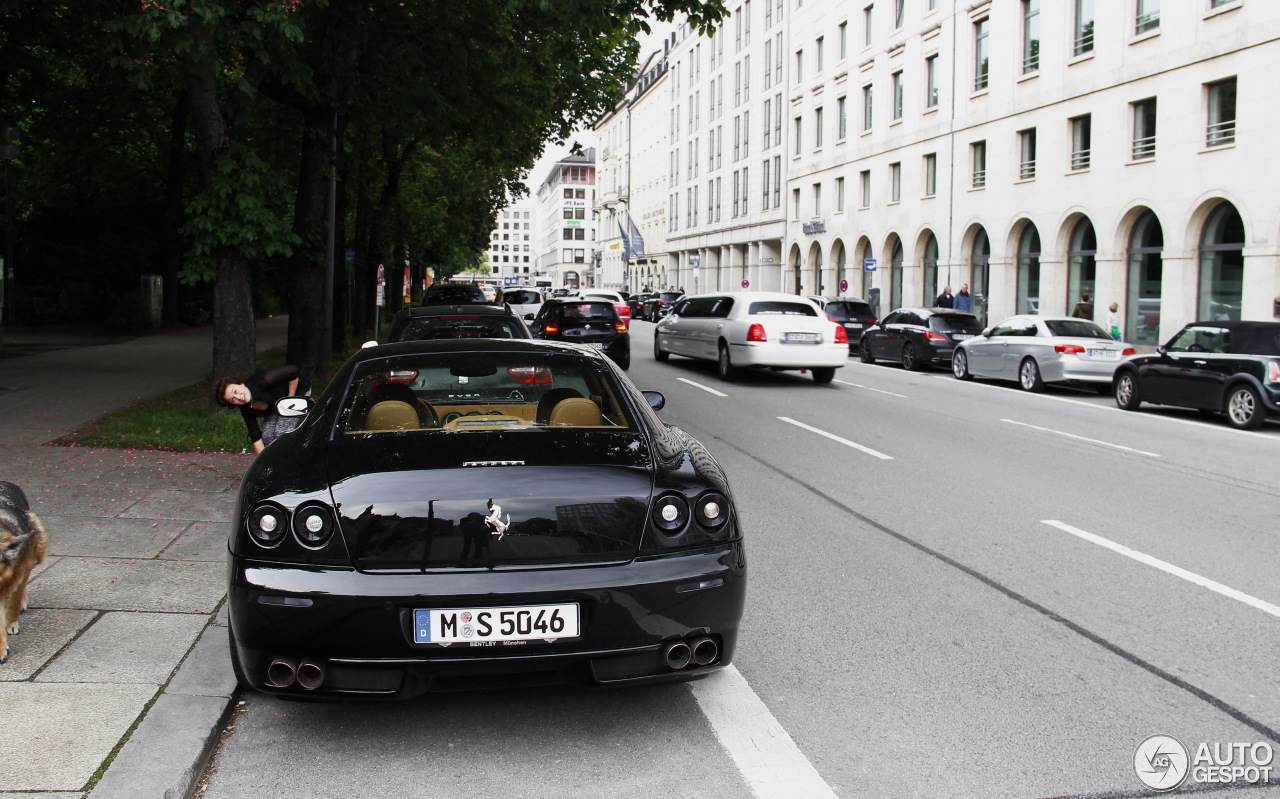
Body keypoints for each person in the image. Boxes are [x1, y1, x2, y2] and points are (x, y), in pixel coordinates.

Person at [215, 365, 310, 454]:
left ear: (241, 383)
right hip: (275, 406)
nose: (238, 397)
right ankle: (274, 463)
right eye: (233, 399)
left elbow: (292, 370)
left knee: (281, 432)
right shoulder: (245, 407)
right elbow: (255, 435)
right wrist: (262, 462)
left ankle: (296, 458)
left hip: (297, 392)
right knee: (267, 436)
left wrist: (290, 398)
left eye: (235, 391)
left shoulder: (263, 380)